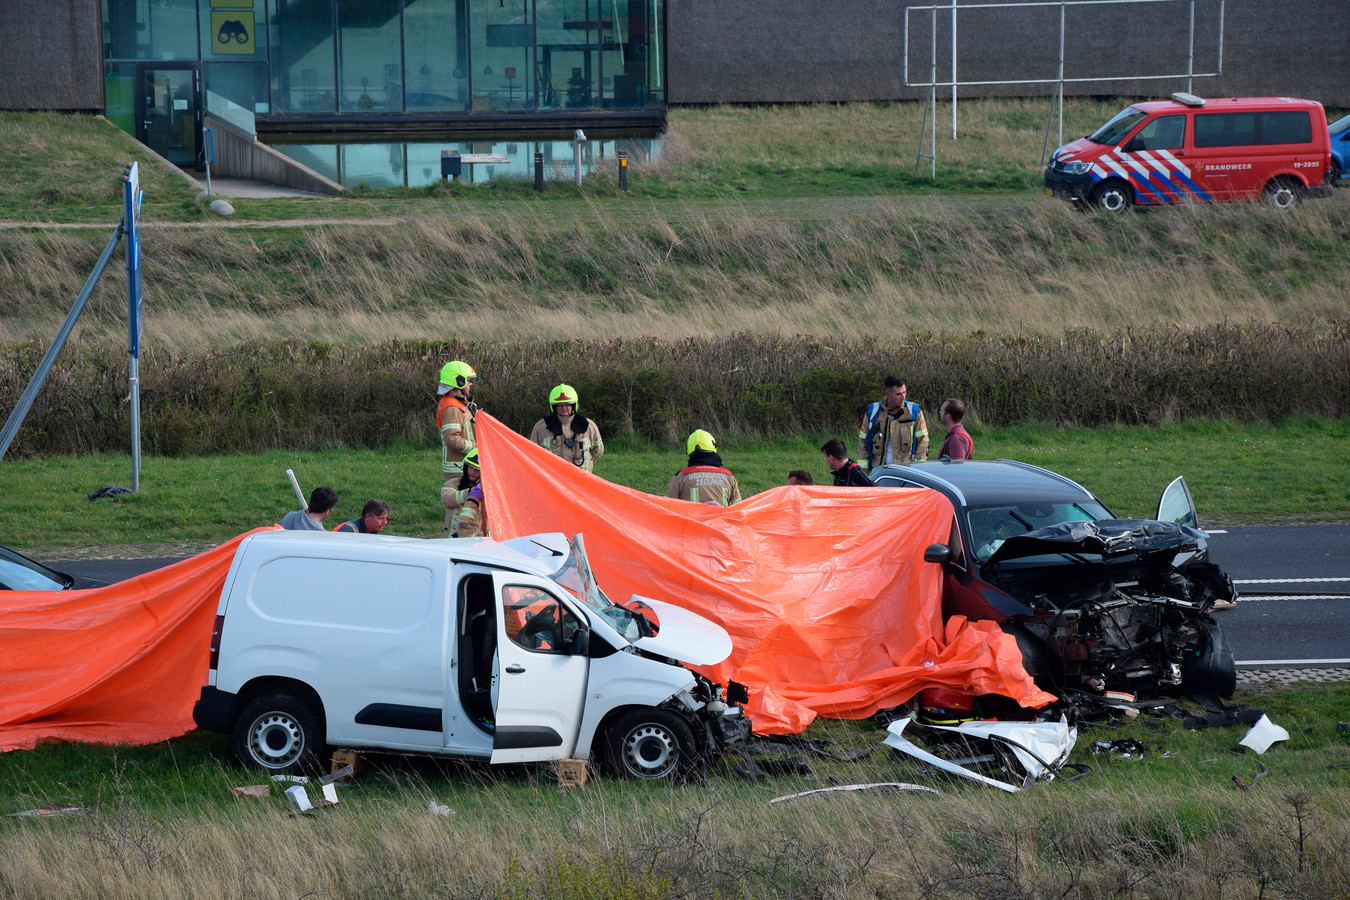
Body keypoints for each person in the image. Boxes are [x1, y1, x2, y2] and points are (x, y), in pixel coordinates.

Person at [437, 360, 477, 534]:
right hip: (459, 467)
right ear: (458, 381)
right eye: (468, 380)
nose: (470, 384)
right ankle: (455, 538)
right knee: (459, 508)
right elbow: (452, 439)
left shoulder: (459, 403)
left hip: (464, 465)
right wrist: (477, 448)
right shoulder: (452, 408)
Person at [528, 383, 604, 472]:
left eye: (567, 404)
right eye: (560, 405)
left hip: (580, 478)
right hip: (553, 477)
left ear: (574, 405)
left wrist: (585, 464)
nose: (564, 408)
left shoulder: (588, 426)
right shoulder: (541, 427)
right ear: (553, 406)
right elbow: (532, 453)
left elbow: (598, 451)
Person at [858, 375, 929, 470]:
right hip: (879, 470)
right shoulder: (872, 412)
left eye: (904, 392)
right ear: (888, 394)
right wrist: (863, 472)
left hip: (905, 470)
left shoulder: (914, 412)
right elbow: (862, 444)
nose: (903, 397)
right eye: (898, 394)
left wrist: (918, 468)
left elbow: (923, 442)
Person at [666, 429, 741, 506]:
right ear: (713, 446)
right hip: (720, 514)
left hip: (690, 514)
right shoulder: (728, 476)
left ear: (689, 449)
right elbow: (738, 508)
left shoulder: (680, 477)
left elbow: (667, 506)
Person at [454, 449, 490, 538]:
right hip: (455, 538)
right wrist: (472, 492)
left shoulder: (490, 490)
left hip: (481, 539)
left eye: (477, 470)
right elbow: (447, 499)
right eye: (470, 467)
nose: (472, 472)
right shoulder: (453, 484)